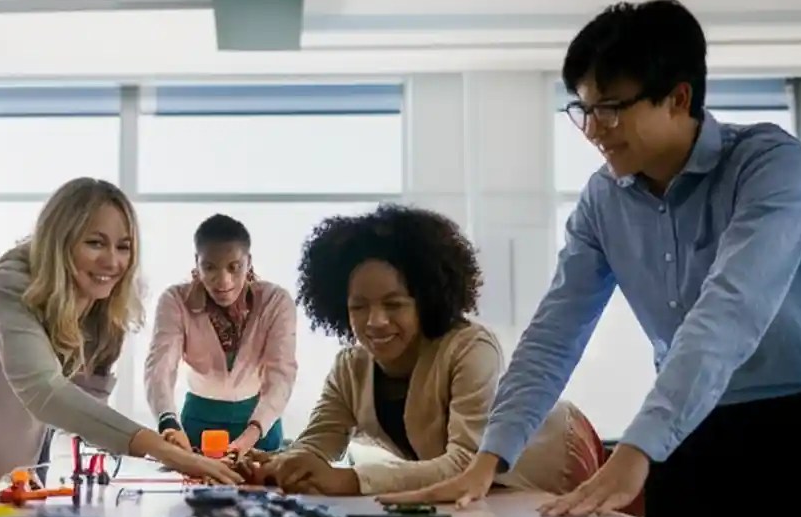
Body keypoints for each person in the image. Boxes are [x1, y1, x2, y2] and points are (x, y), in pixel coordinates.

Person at [387, 0, 801, 517]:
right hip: (686, 435)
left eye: (609, 109)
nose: (592, 131)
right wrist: (490, 458)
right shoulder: (603, 199)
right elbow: (555, 333)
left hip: (795, 430)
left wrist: (636, 447)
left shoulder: (770, 165)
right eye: (582, 110)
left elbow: (728, 311)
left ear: (678, 98)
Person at [252, 205, 601, 496]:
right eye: (358, 307)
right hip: (486, 494)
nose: (375, 321)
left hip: (558, 456)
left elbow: (467, 461)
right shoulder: (351, 367)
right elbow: (317, 443)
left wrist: (349, 481)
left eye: (394, 304)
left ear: (427, 301)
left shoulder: (469, 348)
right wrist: (277, 466)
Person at [0, 178, 241, 489]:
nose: (112, 261)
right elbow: (44, 391)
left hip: (32, 423)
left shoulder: (105, 300)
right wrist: (162, 450)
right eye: (95, 243)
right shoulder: (7, 287)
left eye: (123, 247)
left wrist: (162, 447)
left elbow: (85, 402)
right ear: (60, 240)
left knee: (19, 511)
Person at [144, 214, 298, 455]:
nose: (223, 281)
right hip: (197, 424)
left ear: (248, 263)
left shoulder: (275, 301)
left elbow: (281, 373)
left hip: (260, 425)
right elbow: (160, 368)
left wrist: (251, 435)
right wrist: (168, 423)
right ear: (197, 263)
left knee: (263, 491)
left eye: (234, 267)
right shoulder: (175, 301)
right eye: (210, 267)